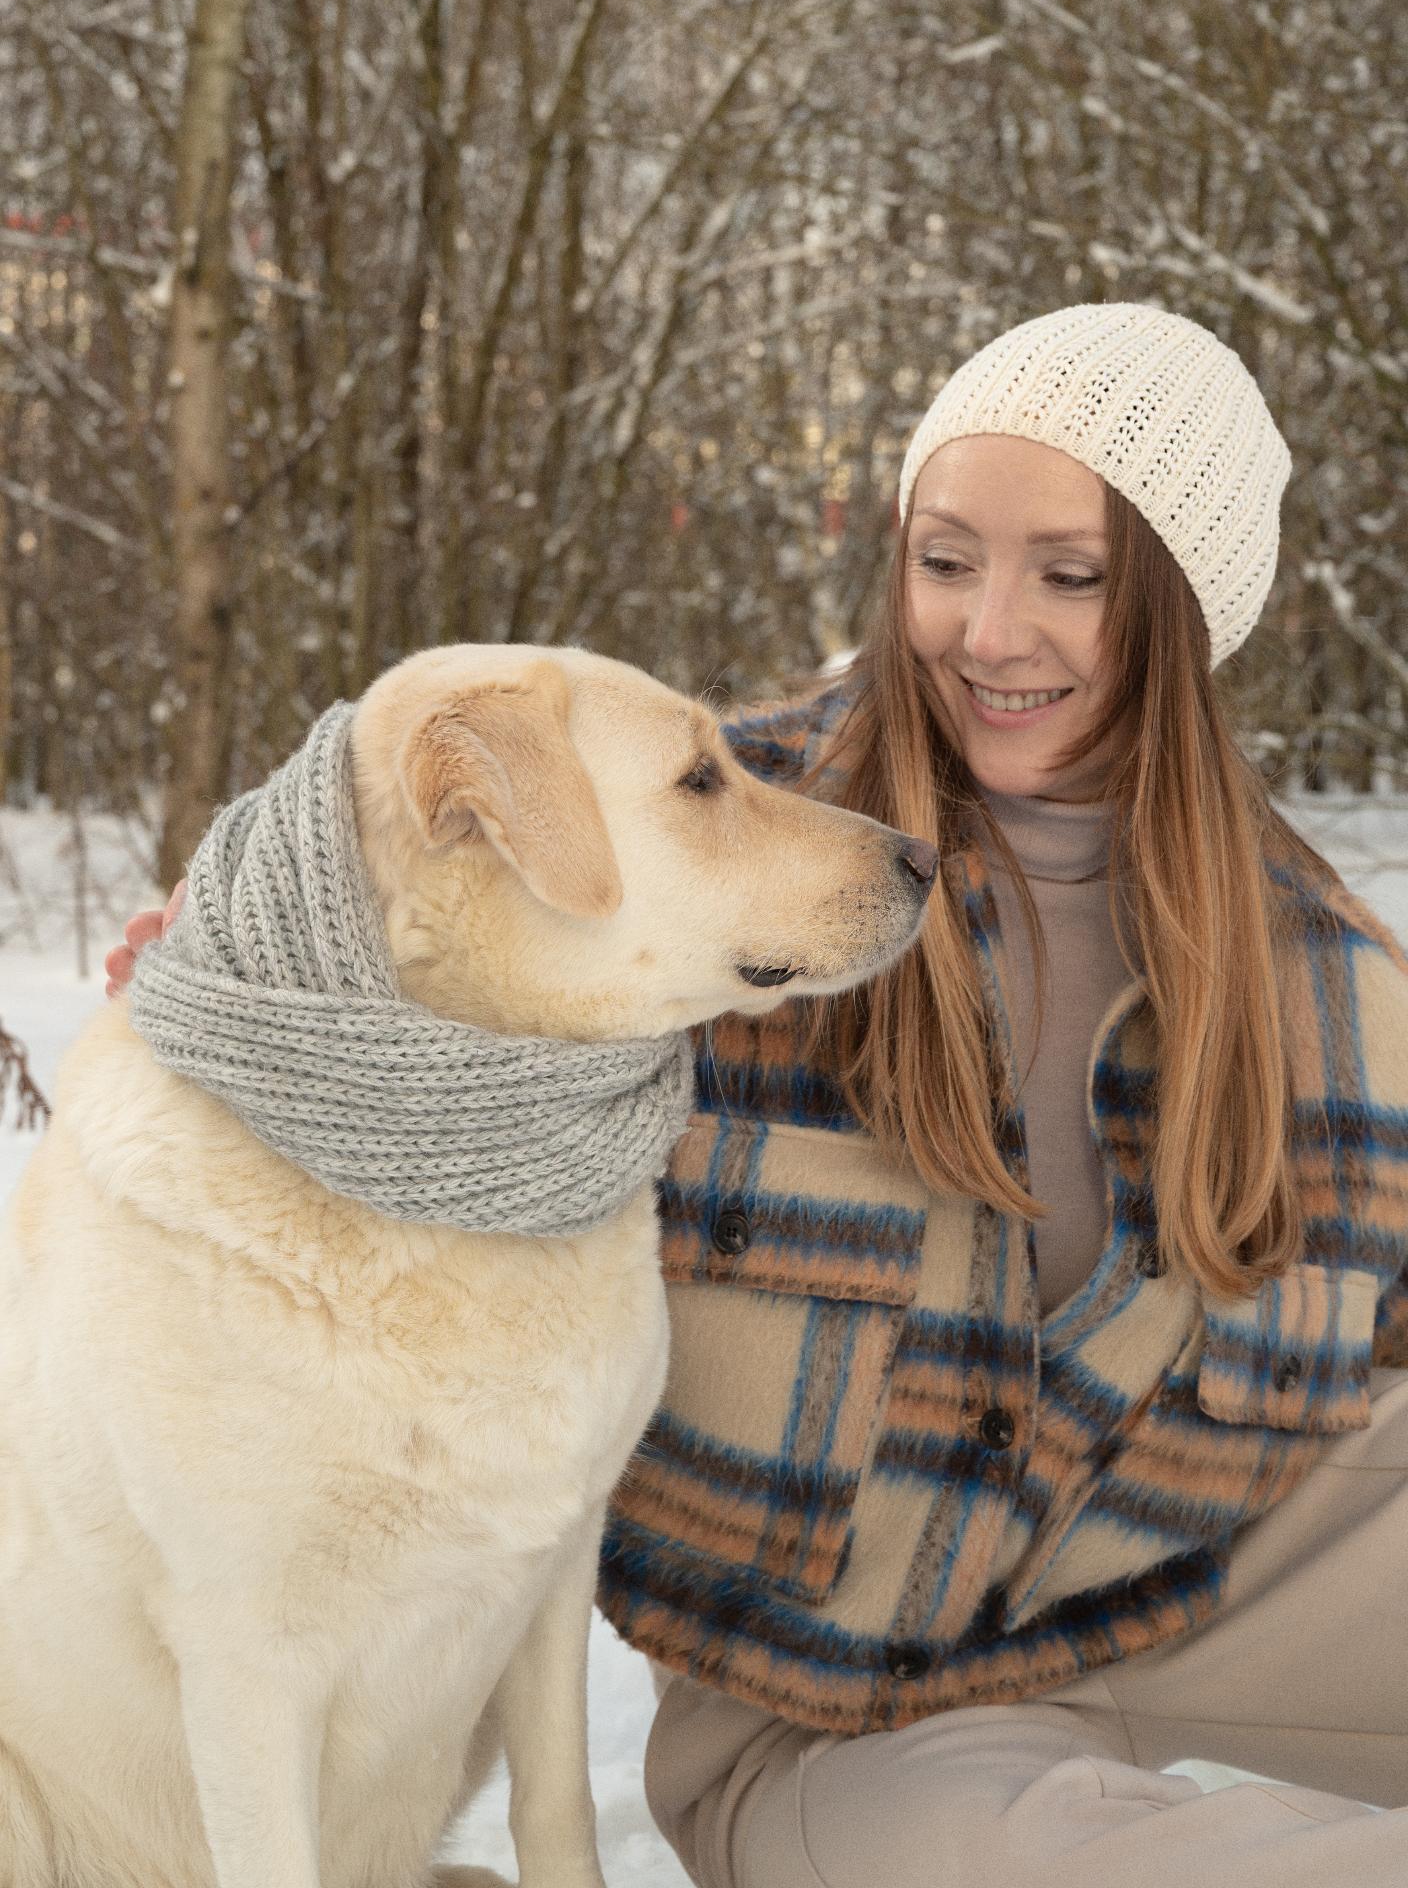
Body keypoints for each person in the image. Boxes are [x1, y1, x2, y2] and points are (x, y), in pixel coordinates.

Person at [109, 303, 1408, 1887]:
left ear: (1188, 608)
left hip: (1208, 1587)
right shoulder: (700, 853)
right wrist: (235, 979)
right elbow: (392, 950)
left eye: (1071, 577)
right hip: (837, 1722)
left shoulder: (1333, 984)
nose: (990, 632)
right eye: (945, 560)